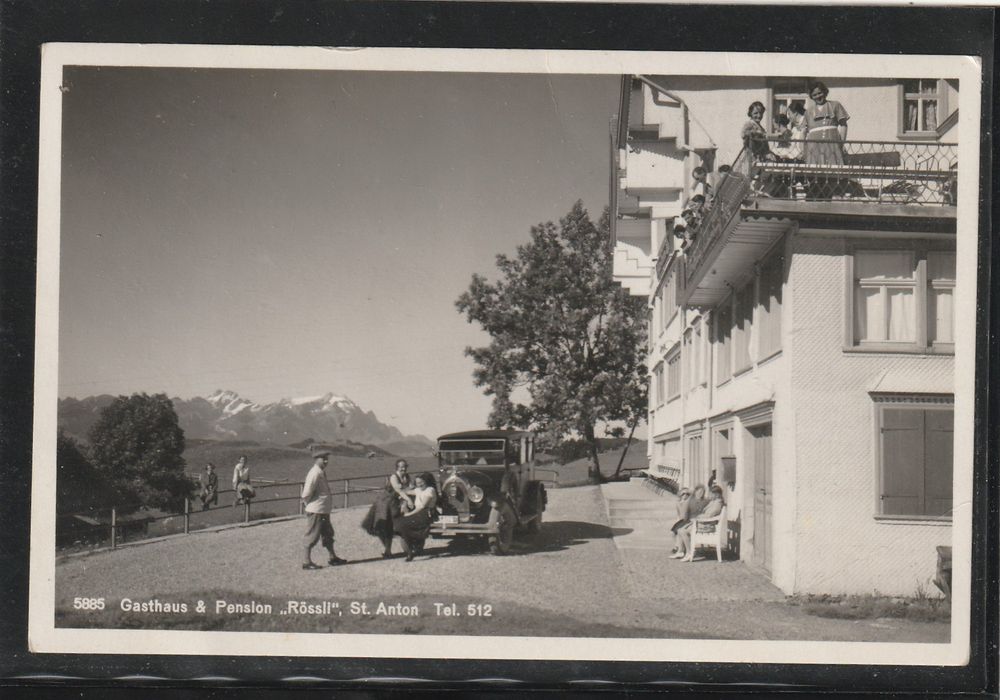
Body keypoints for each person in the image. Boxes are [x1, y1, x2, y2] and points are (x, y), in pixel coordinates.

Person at [301, 449, 347, 569]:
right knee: (312, 535)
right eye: (323, 459)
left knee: (328, 534)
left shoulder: (320, 471)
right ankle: (306, 562)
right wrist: (309, 505)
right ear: (317, 459)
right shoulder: (314, 473)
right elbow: (306, 493)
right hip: (316, 509)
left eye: (327, 458)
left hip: (323, 509)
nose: (326, 461)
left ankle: (333, 557)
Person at [361, 459, 414, 558]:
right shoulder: (394, 477)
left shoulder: (407, 476)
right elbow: (399, 490)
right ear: (397, 467)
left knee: (391, 525)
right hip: (385, 502)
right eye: (401, 467)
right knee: (384, 525)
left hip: (395, 502)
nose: (403, 468)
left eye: (405, 466)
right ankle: (387, 550)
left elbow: (409, 488)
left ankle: (388, 551)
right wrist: (408, 499)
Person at [393, 472, 438, 562]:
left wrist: (410, 514)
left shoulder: (430, 490)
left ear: (426, 482)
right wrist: (402, 492)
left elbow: (422, 506)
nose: (420, 485)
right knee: (399, 523)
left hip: (426, 513)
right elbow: (406, 491)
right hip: (418, 513)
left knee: (404, 524)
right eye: (417, 483)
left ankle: (412, 549)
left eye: (421, 482)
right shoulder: (418, 490)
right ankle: (411, 550)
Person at [804, 81, 849, 166]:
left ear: (825, 92)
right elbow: (804, 132)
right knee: (815, 171)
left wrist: (842, 143)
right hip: (814, 146)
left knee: (834, 169)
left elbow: (843, 125)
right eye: (814, 95)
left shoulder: (835, 105)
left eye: (819, 93)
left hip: (832, 144)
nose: (818, 96)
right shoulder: (808, 111)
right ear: (811, 97)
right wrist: (803, 150)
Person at [678, 484, 726, 562]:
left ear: (716, 494)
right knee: (681, 530)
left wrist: (697, 518)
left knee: (682, 531)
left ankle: (689, 552)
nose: (709, 495)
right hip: (703, 524)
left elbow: (709, 515)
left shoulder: (717, 504)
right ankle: (688, 551)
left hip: (707, 526)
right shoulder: (714, 502)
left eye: (711, 493)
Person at [669, 484, 707, 559]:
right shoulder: (680, 503)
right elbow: (680, 515)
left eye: (687, 494)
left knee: (680, 530)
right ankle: (679, 548)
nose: (685, 495)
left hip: (690, 520)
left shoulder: (691, 502)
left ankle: (680, 549)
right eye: (683, 494)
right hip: (684, 520)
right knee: (673, 531)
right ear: (680, 495)